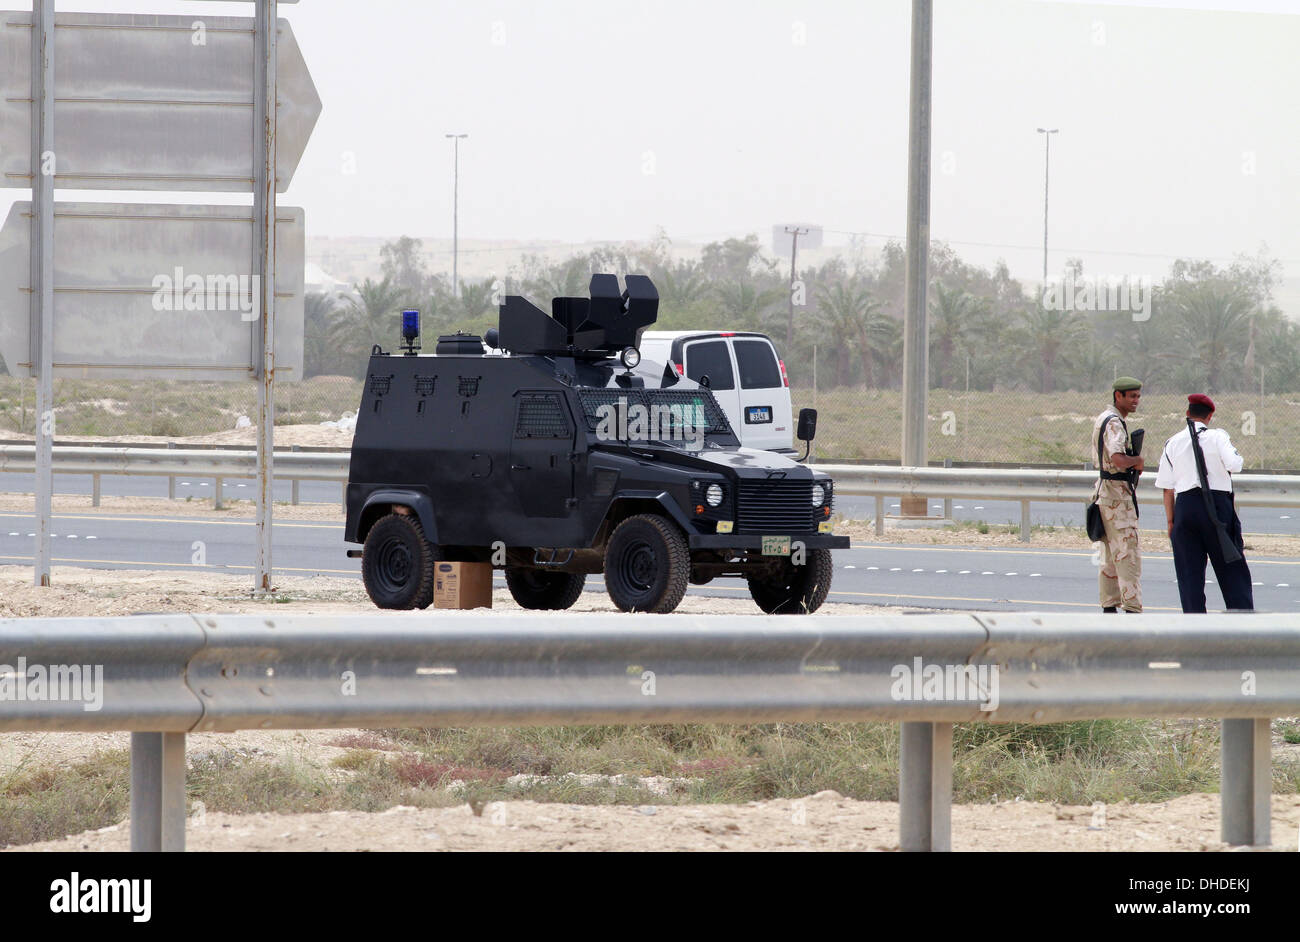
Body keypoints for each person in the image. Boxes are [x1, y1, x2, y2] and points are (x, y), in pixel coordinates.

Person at [1154, 394, 1254, 613]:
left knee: (1189, 576)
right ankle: (1243, 624)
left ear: (1187, 414)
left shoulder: (1172, 442)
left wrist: (1171, 521)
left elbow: (1167, 488)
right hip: (1216, 507)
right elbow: (1235, 464)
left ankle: (1194, 629)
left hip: (1185, 508)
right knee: (1232, 570)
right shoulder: (1217, 437)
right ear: (1210, 416)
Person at [1091, 377, 1144, 613]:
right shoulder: (1114, 423)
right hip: (1116, 498)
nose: (1136, 401)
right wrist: (1137, 461)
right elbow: (1117, 459)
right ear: (1118, 396)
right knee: (1127, 556)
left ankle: (1109, 608)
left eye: (1138, 396)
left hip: (1106, 493)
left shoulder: (1105, 418)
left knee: (1111, 557)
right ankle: (1132, 608)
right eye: (1131, 396)